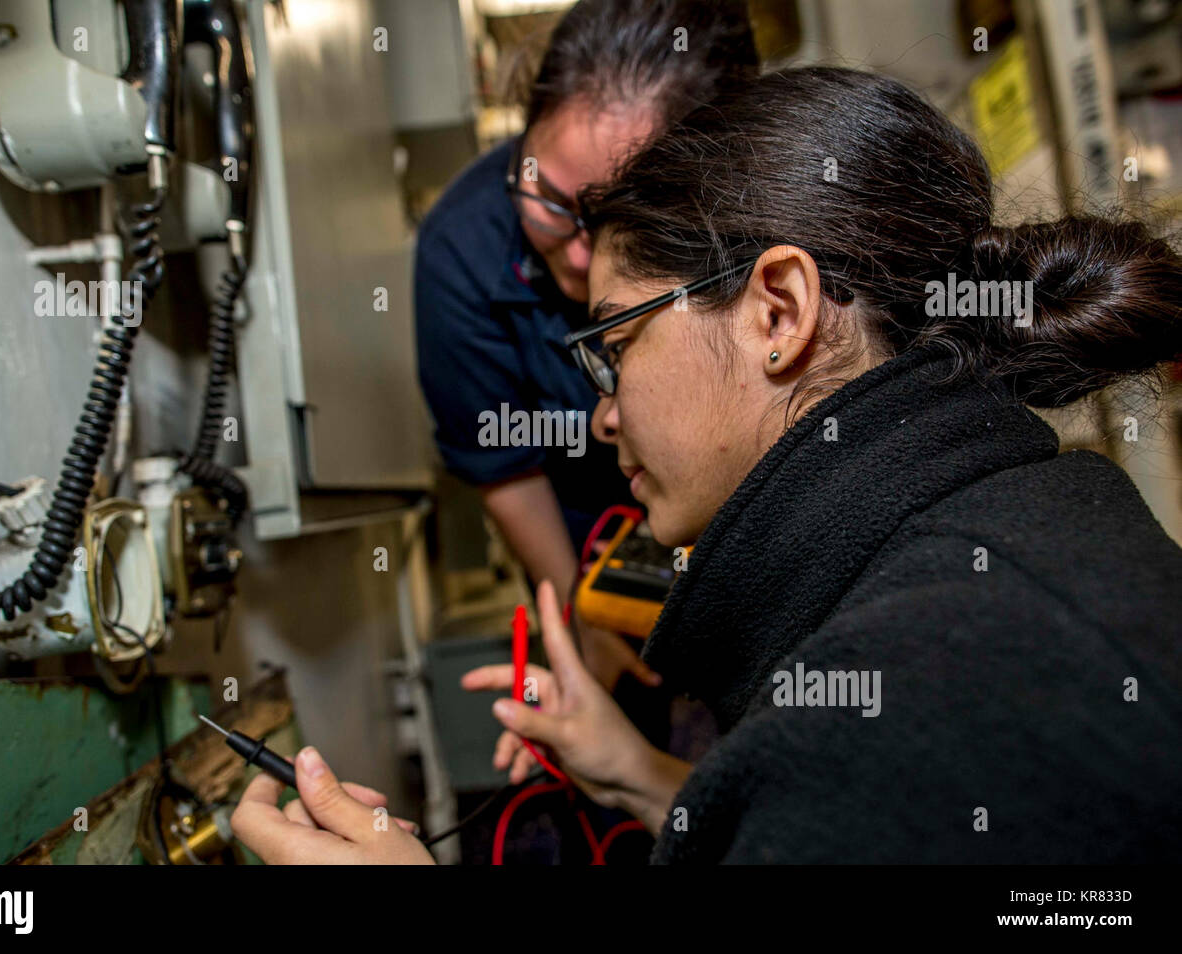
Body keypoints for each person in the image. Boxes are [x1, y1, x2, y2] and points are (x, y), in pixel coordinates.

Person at [232, 66, 1182, 864]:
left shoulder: (915, 715)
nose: (603, 416)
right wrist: (636, 773)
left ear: (778, 312)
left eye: (615, 342)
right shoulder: (1018, 531)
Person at [413, 0, 757, 693]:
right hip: (585, 545)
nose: (576, 255)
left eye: (611, 216)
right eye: (552, 199)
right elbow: (503, 467)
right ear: (526, 129)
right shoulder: (460, 252)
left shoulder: (762, 223)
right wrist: (579, 615)